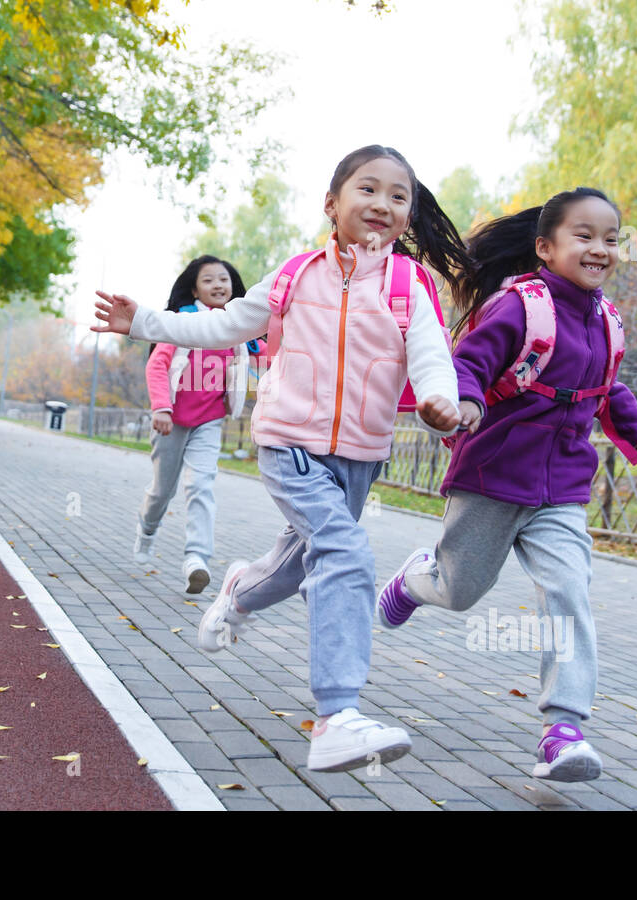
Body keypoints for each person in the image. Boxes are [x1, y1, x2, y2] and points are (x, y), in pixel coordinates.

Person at [95, 145, 466, 772]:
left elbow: (431, 353)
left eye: (398, 196)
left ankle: (238, 592)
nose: (382, 204)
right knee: (345, 551)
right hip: (288, 443)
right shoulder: (297, 275)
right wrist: (146, 323)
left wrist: (438, 398)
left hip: (361, 456)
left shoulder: (411, 286)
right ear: (333, 204)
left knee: (297, 563)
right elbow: (222, 326)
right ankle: (337, 716)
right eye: (367, 190)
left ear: (409, 215)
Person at [375, 187, 637, 782]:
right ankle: (413, 579)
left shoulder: (607, 319)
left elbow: (607, 387)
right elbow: (470, 363)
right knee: (459, 591)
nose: (599, 248)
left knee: (568, 591)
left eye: (610, 239)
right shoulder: (521, 306)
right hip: (494, 473)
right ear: (545, 247)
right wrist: (468, 403)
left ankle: (563, 729)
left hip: (562, 486)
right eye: (584, 236)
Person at [135, 255, 263, 594]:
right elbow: (157, 366)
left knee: (201, 486)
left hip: (209, 420)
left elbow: (272, 352)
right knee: (162, 492)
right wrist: (161, 408)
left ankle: (196, 560)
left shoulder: (240, 330)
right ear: (194, 288)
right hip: (171, 420)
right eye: (208, 280)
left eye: (223, 279)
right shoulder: (183, 323)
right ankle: (147, 531)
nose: (218, 285)